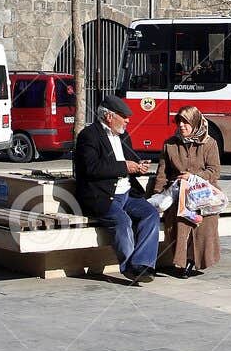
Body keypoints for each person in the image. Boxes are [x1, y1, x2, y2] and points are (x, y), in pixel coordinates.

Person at [73, 94, 160, 283]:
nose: (128, 120)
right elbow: (91, 168)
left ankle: (142, 263)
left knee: (151, 213)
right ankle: (129, 267)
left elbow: (129, 162)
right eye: (123, 116)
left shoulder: (123, 136)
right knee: (123, 221)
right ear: (109, 116)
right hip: (102, 196)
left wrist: (139, 167)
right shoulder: (89, 136)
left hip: (127, 193)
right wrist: (125, 167)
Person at [152, 106, 222, 275]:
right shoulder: (170, 144)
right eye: (180, 122)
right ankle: (182, 261)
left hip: (203, 193)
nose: (182, 126)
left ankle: (195, 260)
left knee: (206, 220)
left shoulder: (209, 143)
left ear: (195, 123)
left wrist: (192, 177)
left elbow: (214, 171)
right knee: (181, 218)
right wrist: (157, 194)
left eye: (186, 122)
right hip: (178, 193)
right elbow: (162, 173)